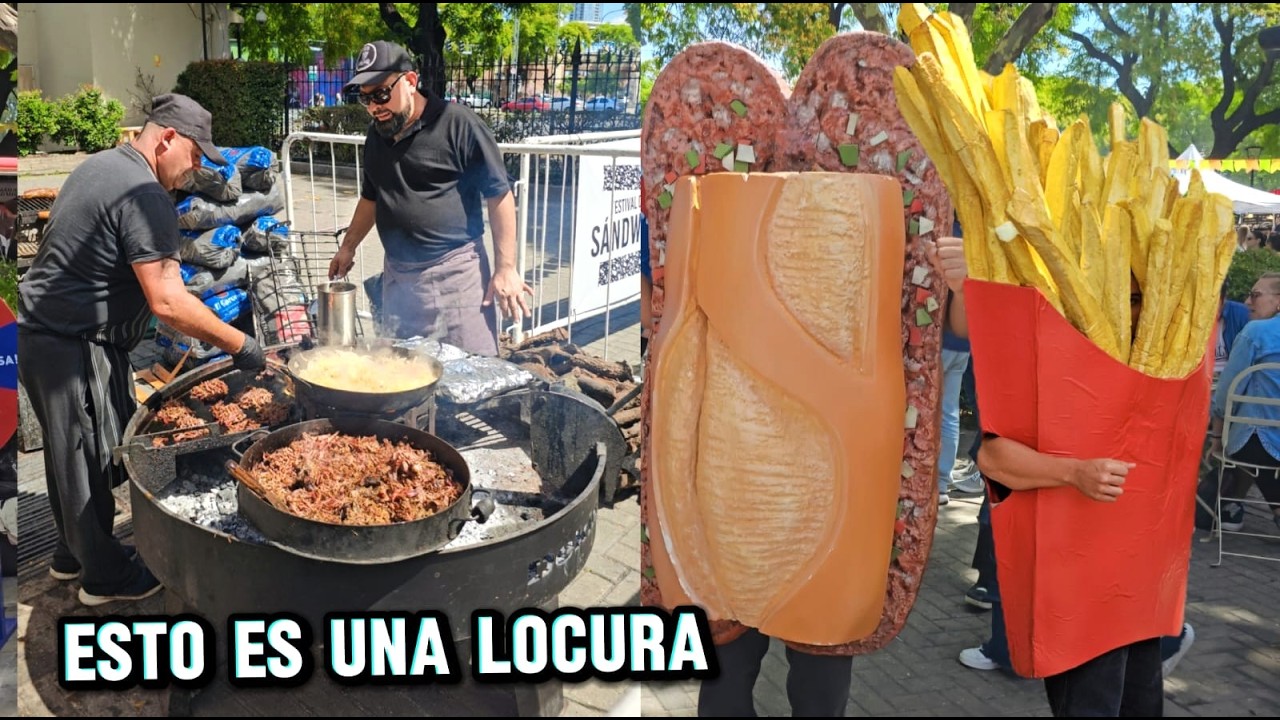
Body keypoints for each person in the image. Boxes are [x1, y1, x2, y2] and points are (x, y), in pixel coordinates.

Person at [18, 93, 267, 607]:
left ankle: (72, 555)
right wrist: (244, 346)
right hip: (72, 341)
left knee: (70, 455)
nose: (196, 169)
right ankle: (102, 578)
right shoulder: (145, 192)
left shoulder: (102, 165)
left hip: (44, 334)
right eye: (195, 155)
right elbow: (169, 301)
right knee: (85, 455)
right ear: (167, 138)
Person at [937, 238, 1198, 710]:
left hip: (1139, 590)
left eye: (1140, 300)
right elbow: (994, 458)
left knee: (1142, 702)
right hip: (1078, 593)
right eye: (1125, 298)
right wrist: (1074, 472)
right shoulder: (1055, 354)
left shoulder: (1168, 366)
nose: (1133, 312)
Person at [328, 41, 532, 356]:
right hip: (398, 281)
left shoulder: (458, 124)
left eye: (381, 94)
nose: (374, 107)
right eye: (364, 98)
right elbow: (372, 196)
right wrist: (348, 246)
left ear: (410, 81)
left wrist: (506, 267)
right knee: (402, 377)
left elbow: (499, 194)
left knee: (473, 380)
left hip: (456, 278)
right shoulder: (376, 134)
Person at [1208, 273, 1280, 533]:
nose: (1248, 301)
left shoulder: (1255, 332)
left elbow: (1226, 394)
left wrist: (1217, 436)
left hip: (1256, 441)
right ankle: (1232, 508)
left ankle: (1227, 507)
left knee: (1242, 446)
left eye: (1256, 295)